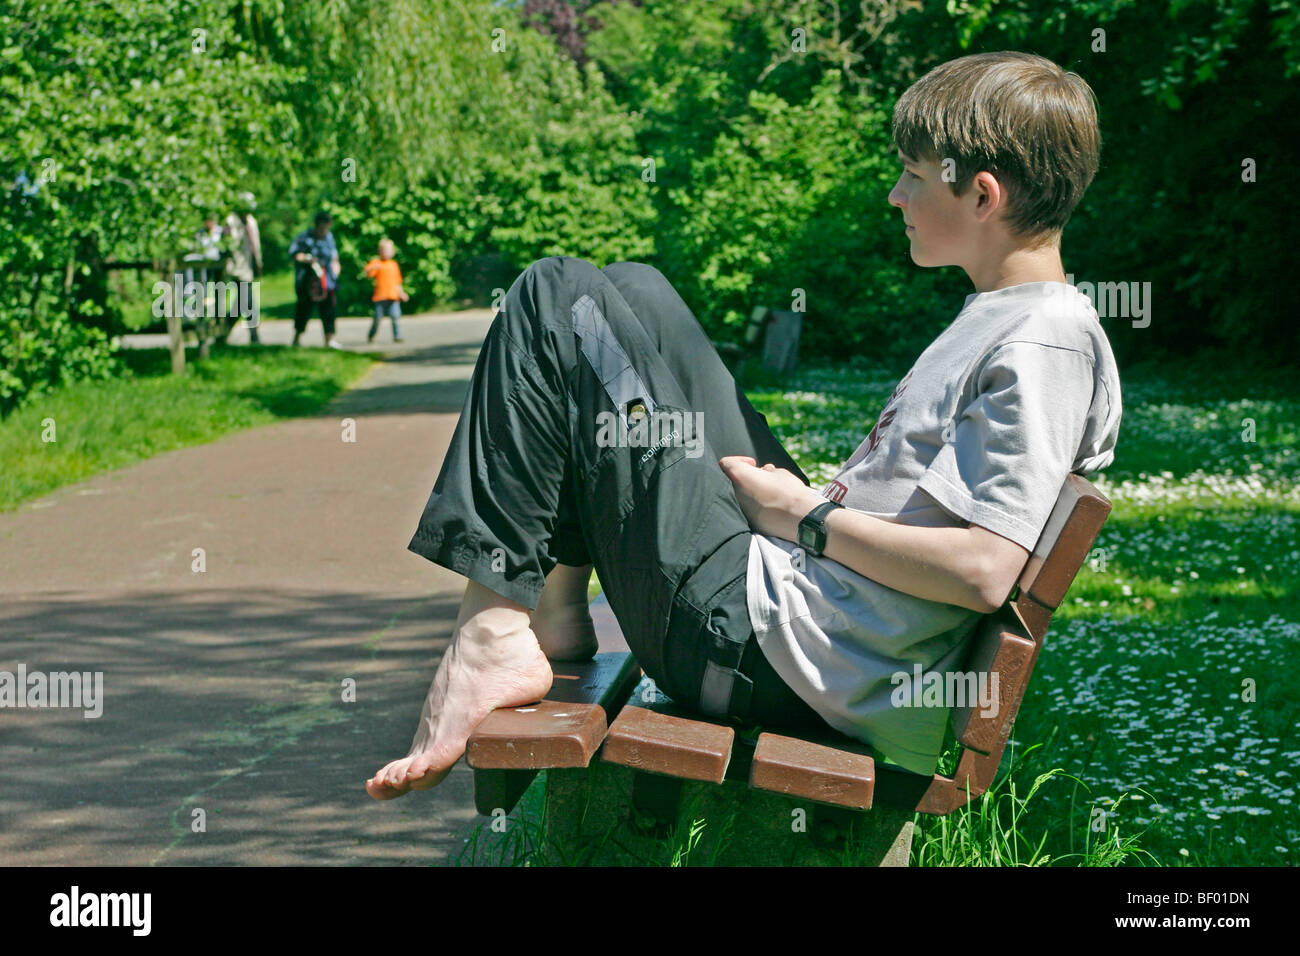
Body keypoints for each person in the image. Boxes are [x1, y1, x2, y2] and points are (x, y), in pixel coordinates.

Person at [366, 51, 1123, 800]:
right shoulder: (1017, 318)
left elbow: (984, 569)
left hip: (762, 655)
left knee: (555, 297)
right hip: (792, 622)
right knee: (636, 293)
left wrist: (809, 519)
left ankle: (491, 629)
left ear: (983, 195)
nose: (895, 196)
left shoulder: (1041, 340)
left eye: (914, 176)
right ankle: (557, 616)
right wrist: (804, 518)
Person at [289, 211, 342, 348]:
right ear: (316, 225)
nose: (324, 231)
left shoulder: (329, 237)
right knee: (303, 310)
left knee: (329, 310)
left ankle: (328, 340)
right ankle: (297, 339)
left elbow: (334, 258)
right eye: (322, 228)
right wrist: (309, 260)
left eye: (327, 227)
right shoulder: (304, 237)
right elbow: (295, 255)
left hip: (327, 281)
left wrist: (335, 271)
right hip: (308, 281)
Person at [222, 192, 263, 343]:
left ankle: (224, 330)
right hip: (236, 269)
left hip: (248, 267)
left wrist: (258, 264)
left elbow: (255, 246)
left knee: (241, 303)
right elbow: (226, 246)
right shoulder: (230, 221)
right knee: (248, 300)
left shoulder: (251, 221)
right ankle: (254, 335)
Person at [363, 237, 408, 343]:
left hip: (393, 296)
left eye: (389, 250)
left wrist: (401, 293)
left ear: (392, 251)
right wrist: (372, 268)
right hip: (380, 297)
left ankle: (397, 336)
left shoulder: (394, 265)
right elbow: (367, 272)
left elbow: (398, 282)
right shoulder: (376, 263)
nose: (386, 252)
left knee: (395, 317)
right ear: (380, 251)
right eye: (384, 250)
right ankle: (371, 335)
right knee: (377, 318)